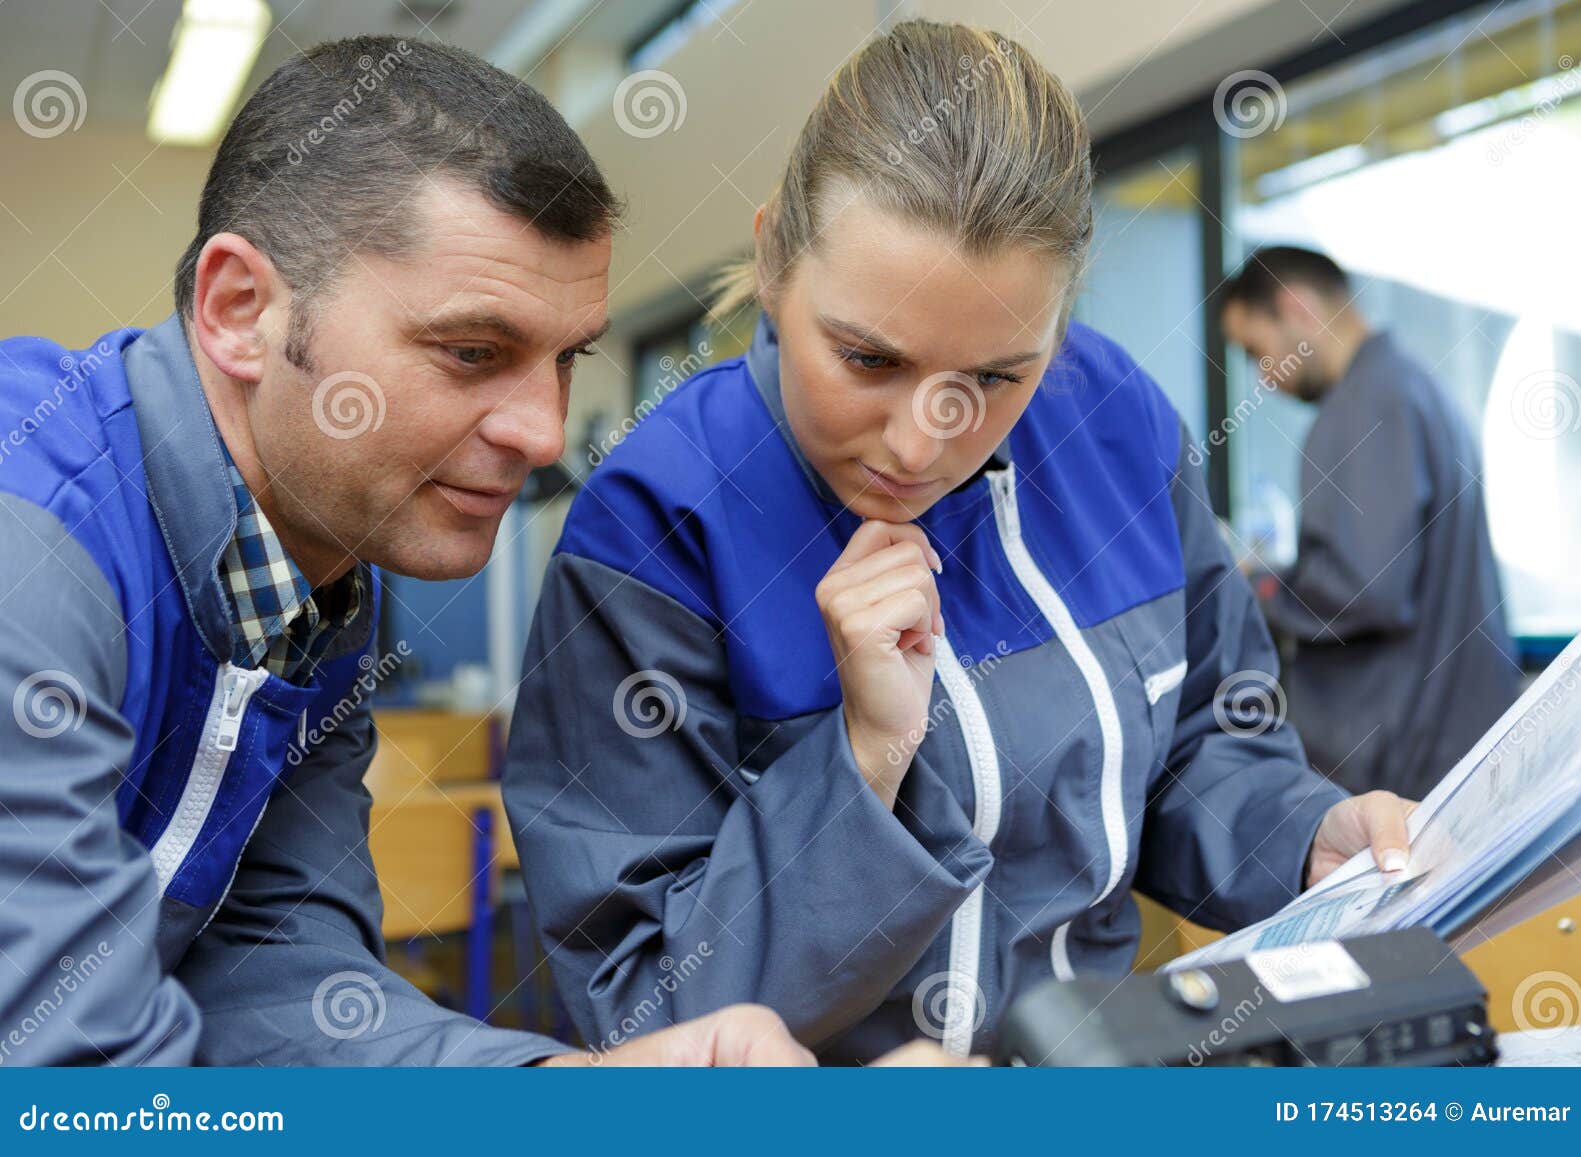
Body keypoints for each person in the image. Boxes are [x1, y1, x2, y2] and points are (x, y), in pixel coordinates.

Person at [504, 20, 1416, 1065]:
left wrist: (1301, 833)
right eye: (866, 358)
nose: (916, 443)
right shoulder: (656, 516)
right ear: (769, 259)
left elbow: (1198, 743)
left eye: (993, 377)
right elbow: (645, 1005)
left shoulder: (1114, 417)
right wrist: (863, 760)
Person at [0, 35, 840, 1068]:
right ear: (239, 310)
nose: (540, 431)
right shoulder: (30, 543)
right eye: (473, 353)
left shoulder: (318, 582)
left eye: (564, 358)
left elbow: (272, 967)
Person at [1220, 246, 1522, 799]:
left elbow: (1366, 590)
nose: (1264, 377)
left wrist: (1257, 586)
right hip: (1449, 747)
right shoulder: (1415, 387)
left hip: (1402, 765)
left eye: (1254, 350)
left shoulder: (1364, 404)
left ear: (1297, 309)